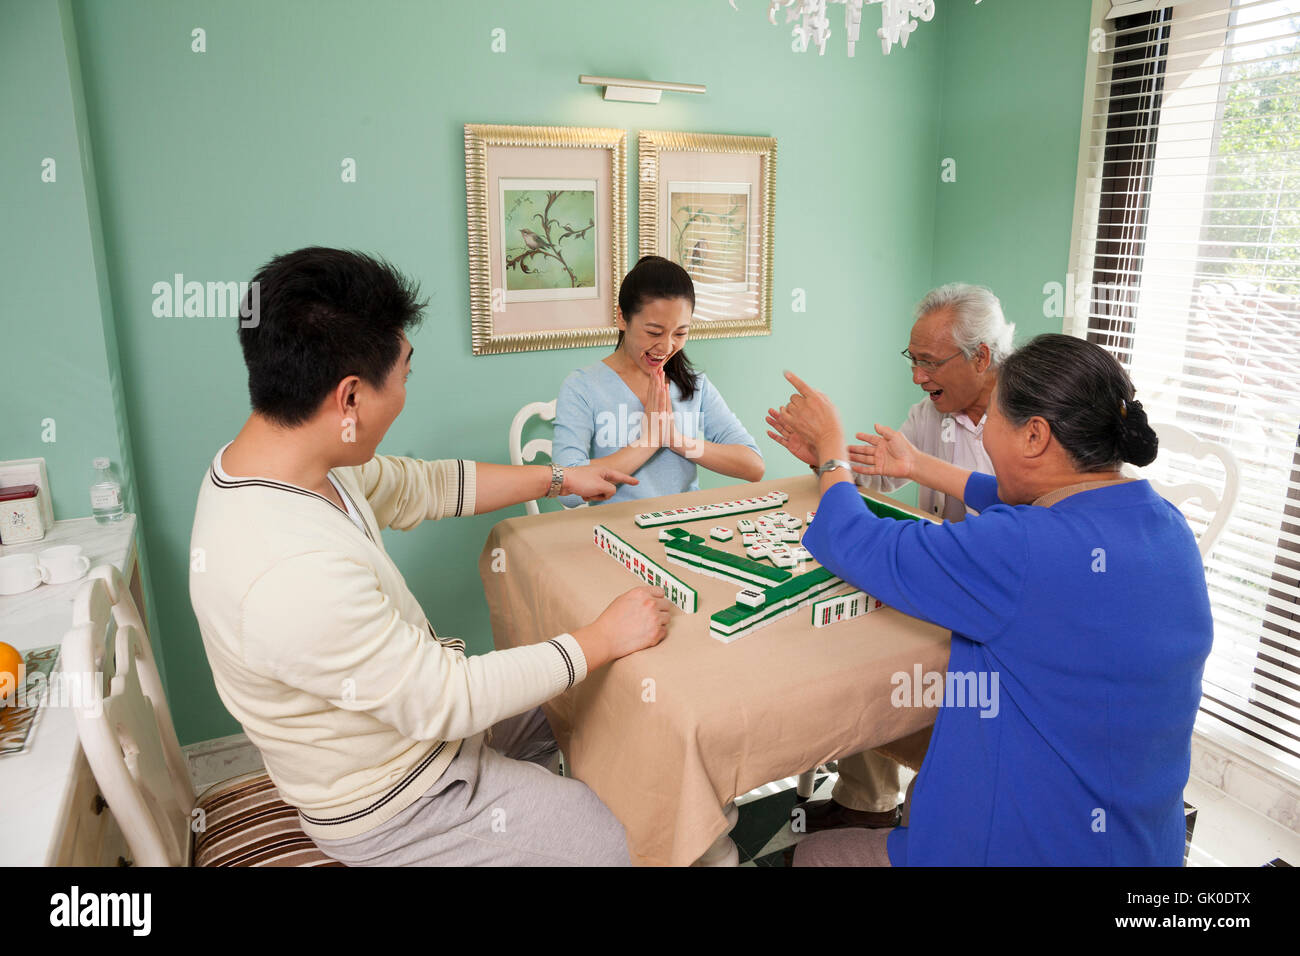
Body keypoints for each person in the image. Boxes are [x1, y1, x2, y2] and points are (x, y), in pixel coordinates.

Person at [189, 247, 675, 866]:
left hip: (419, 727)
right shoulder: (287, 570)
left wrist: (562, 477)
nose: (406, 391)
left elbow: (431, 485)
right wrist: (602, 636)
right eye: (405, 374)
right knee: (619, 840)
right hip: (395, 799)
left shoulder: (295, 460)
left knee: (583, 700)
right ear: (350, 399)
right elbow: (449, 698)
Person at [774, 333, 1212, 865]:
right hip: (1140, 847)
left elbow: (855, 541)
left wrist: (830, 453)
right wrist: (916, 465)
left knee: (813, 856)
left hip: (1022, 849)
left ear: (1034, 436)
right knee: (923, 795)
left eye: (993, 424)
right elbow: (1016, 498)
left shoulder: (1021, 549)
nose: (984, 438)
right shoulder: (1166, 525)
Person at [766, 283, 1014, 833]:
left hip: (987, 599)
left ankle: (926, 815)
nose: (918, 377)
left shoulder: (1022, 423)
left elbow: (1007, 510)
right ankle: (868, 801)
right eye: (913, 359)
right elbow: (885, 468)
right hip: (939, 578)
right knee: (858, 634)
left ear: (980, 357)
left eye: (930, 362)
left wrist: (834, 455)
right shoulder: (933, 411)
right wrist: (826, 461)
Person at [552, 255, 764, 507]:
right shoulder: (583, 387)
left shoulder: (694, 385)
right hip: (614, 535)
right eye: (654, 332)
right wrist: (648, 442)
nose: (666, 346)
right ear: (622, 318)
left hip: (685, 529)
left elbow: (753, 466)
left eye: (680, 333)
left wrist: (677, 441)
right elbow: (569, 490)